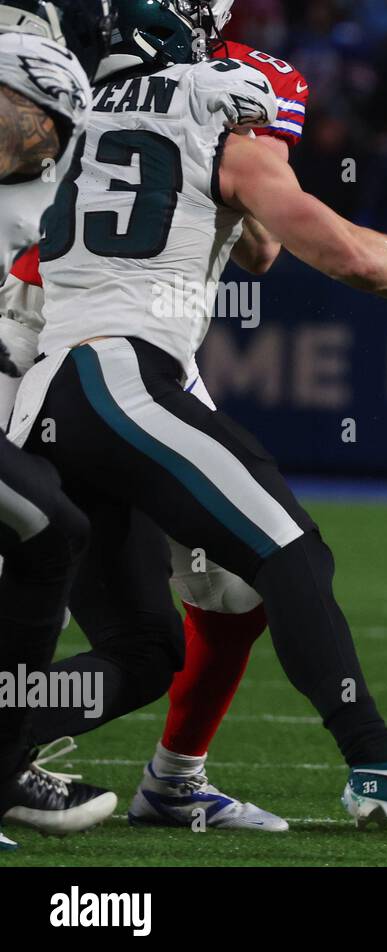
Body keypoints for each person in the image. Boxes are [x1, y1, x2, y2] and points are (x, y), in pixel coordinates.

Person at [11, 0, 387, 832]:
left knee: (146, 651)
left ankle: (8, 739)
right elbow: (344, 255)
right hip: (122, 375)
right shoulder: (215, 95)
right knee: (290, 549)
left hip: (50, 396)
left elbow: (253, 248)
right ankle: (375, 758)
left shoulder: (83, 110)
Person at [0, 0, 119, 851]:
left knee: (45, 537)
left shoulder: (56, 203)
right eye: (32, 116)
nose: (39, 137)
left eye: (53, 128)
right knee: (50, 532)